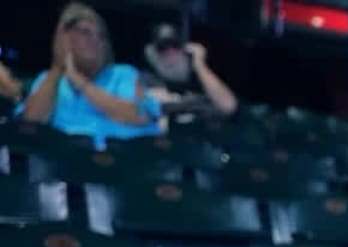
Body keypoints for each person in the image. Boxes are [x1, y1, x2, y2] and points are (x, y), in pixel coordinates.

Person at [18, 3, 160, 144]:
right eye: (85, 33)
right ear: (65, 39)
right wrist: (58, 68)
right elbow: (31, 124)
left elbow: (138, 115)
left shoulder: (124, 74)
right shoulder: (48, 81)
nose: (95, 40)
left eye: (101, 35)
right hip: (67, 161)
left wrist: (79, 81)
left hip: (122, 160)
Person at [140, 23, 238, 118]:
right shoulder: (146, 81)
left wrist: (199, 65)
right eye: (162, 47)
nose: (170, 53)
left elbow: (228, 105)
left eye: (175, 44)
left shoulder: (205, 79)